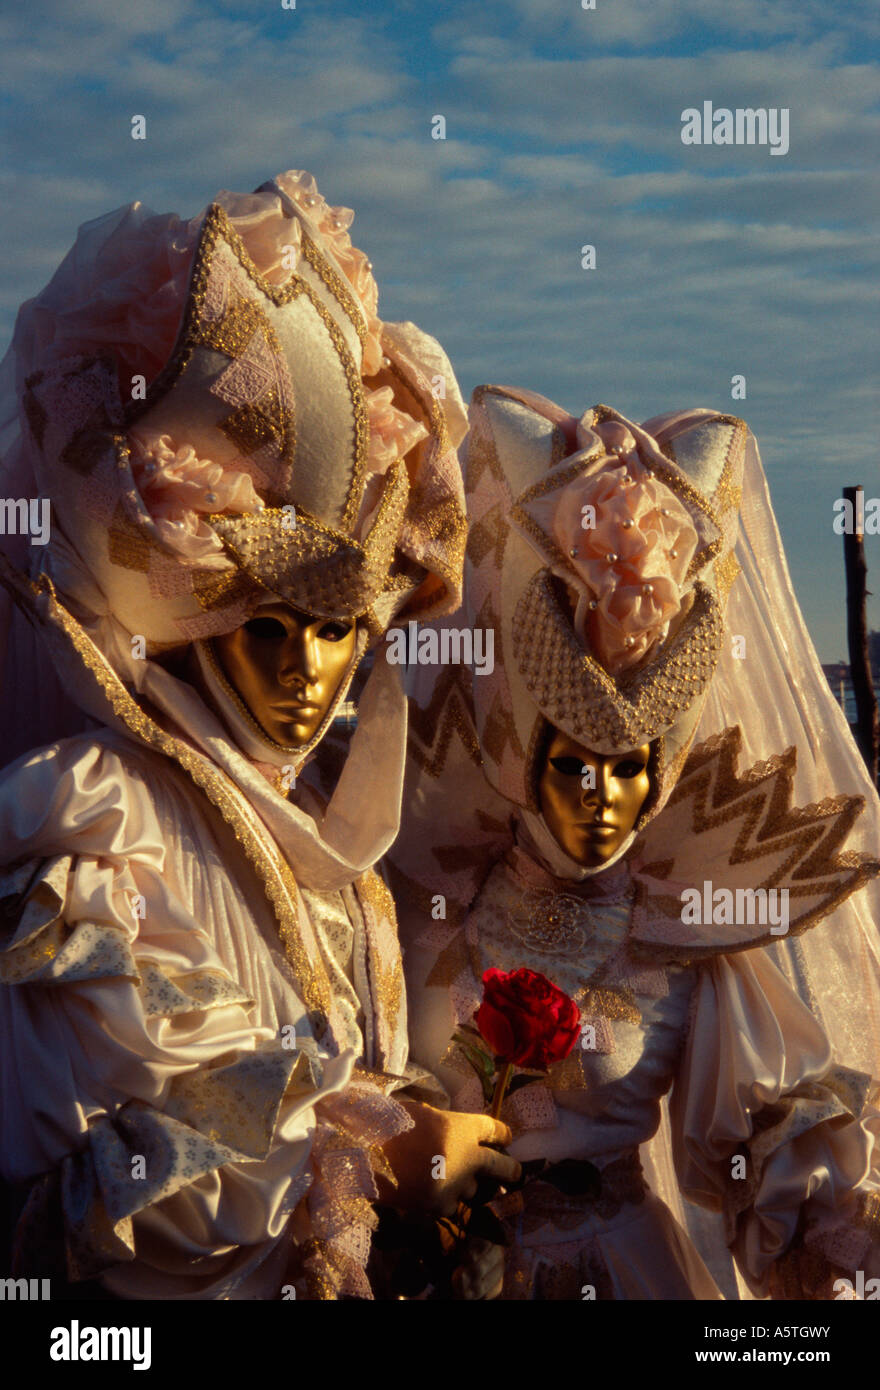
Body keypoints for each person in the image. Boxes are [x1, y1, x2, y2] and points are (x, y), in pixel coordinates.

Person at [0, 172, 517, 1301]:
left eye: (343, 632)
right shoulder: (98, 818)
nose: (308, 672)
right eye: (266, 625)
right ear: (195, 622)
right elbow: (108, 1192)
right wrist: (379, 1156)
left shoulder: (333, 833)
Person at [386, 385, 880, 1299]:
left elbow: (761, 1161)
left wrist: (832, 1239)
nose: (604, 799)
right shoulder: (419, 886)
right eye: (575, 764)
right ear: (520, 753)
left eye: (631, 768)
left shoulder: (687, 937)